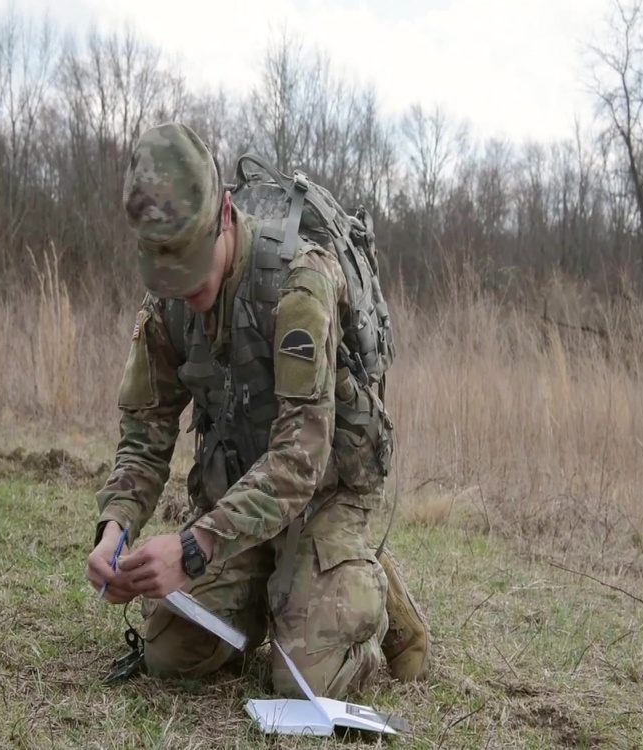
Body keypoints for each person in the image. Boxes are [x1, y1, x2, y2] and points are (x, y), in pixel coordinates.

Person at [85, 121, 431, 700]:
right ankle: (281, 582)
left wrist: (195, 546)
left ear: (224, 215)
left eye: (193, 262)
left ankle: (367, 581)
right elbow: (146, 434)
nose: (186, 287)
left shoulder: (299, 285)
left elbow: (301, 458)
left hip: (325, 494)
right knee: (171, 652)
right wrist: (114, 530)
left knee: (304, 686)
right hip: (240, 503)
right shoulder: (168, 303)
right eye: (167, 271)